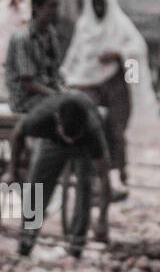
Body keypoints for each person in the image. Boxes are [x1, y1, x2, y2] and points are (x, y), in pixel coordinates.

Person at [61, 0, 155, 195]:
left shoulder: (120, 26)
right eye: (95, 5)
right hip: (88, 85)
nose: (99, 10)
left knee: (115, 130)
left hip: (116, 86)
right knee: (88, 128)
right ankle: (91, 175)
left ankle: (118, 173)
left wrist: (119, 55)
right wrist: (66, 77)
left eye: (102, 5)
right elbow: (74, 57)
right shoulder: (84, 27)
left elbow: (137, 52)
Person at [7, 91, 112, 257]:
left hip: (84, 147)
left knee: (85, 187)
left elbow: (104, 177)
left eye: (73, 138)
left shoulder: (92, 130)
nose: (70, 142)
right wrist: (12, 172)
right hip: (52, 142)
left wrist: (103, 220)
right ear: (57, 121)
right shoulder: (40, 118)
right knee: (37, 188)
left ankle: (77, 245)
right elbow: (18, 134)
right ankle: (26, 241)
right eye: (67, 137)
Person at [5, 0, 62, 115]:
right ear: (37, 7)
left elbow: (54, 72)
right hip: (24, 99)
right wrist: (57, 95)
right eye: (52, 6)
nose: (56, 11)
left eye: (57, 6)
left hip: (46, 94)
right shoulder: (23, 38)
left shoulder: (51, 34)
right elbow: (28, 83)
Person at [0, 0, 31, 103]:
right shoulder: (2, 5)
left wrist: (19, 2)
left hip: (18, 76)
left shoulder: (33, 7)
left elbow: (29, 31)